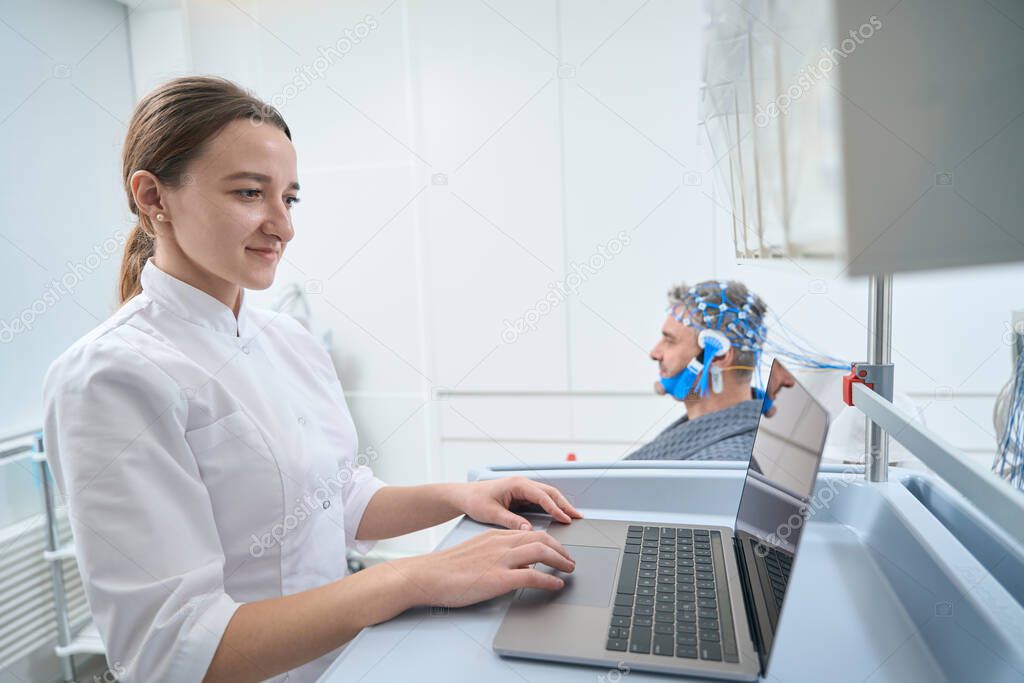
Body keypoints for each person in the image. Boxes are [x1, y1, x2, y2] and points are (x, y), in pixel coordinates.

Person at [41, 76, 581, 683]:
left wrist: (460, 498)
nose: (283, 226)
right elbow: (173, 652)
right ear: (152, 196)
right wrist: (414, 578)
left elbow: (337, 499)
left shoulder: (288, 340)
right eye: (250, 193)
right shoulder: (109, 378)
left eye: (289, 199)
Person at [625, 280, 794, 461]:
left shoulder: (721, 462)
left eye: (670, 341)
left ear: (718, 357)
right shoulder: (709, 447)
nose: (654, 353)